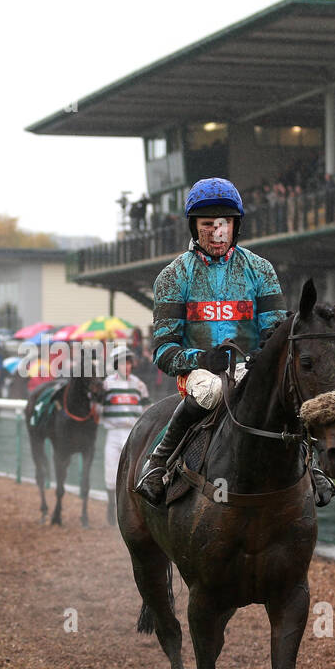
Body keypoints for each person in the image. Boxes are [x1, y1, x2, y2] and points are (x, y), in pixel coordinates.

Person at [134, 177, 290, 506]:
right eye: (208, 225)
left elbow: (276, 332)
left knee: (283, 392)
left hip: (250, 369)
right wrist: (202, 359)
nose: (217, 233)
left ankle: (312, 466)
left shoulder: (261, 270)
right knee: (212, 390)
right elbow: (163, 350)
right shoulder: (173, 276)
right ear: (194, 227)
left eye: (224, 224)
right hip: (200, 375)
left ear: (236, 226)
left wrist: (259, 356)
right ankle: (157, 463)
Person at [100, 348, 150, 523]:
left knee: (135, 471)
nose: (126, 366)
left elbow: (146, 410)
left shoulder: (139, 385)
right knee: (111, 470)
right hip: (113, 433)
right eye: (122, 363)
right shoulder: (106, 385)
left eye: (128, 363)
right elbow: (98, 409)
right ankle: (111, 505)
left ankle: (132, 510)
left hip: (133, 434)